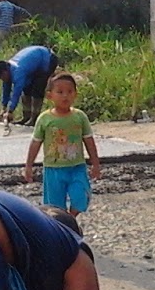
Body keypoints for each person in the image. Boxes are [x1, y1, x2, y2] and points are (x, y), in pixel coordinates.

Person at [23, 73, 101, 214]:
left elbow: (89, 140)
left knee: (81, 196)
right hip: (53, 169)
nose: (65, 96)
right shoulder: (45, 119)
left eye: (69, 92)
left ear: (75, 94)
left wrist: (95, 164)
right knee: (54, 207)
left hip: (76, 167)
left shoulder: (80, 117)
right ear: (50, 95)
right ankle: (62, 228)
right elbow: (35, 143)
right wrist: (29, 166)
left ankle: (71, 218)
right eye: (60, 92)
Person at [0, 44, 58, 128]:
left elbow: (17, 92)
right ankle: (26, 116)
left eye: (1, 76)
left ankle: (35, 118)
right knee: (27, 89)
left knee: (37, 89)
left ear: (6, 71)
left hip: (47, 59)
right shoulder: (8, 72)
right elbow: (6, 89)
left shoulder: (18, 71)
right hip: (34, 64)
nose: (1, 79)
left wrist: (10, 111)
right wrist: (4, 107)